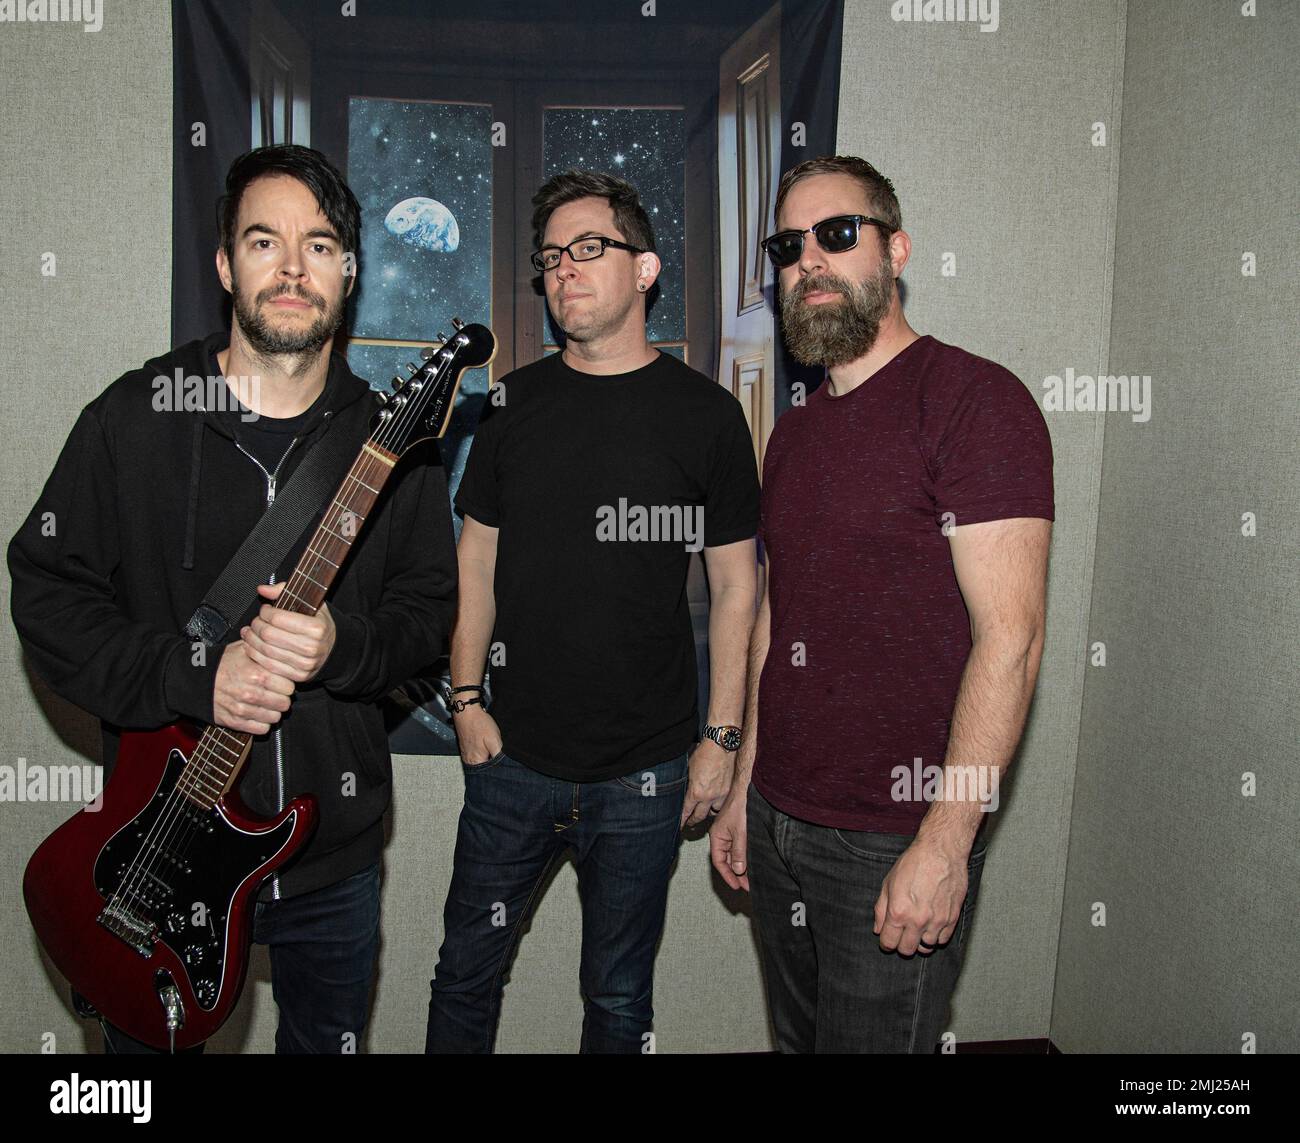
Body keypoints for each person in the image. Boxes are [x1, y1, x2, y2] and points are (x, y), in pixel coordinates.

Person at [8, 144, 458, 1054]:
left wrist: (343, 646)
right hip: (147, 852)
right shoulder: (134, 418)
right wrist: (190, 675)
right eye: (265, 241)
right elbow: (47, 592)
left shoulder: (393, 440)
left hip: (329, 864)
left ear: (350, 271)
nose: (293, 268)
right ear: (224, 264)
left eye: (320, 245)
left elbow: (430, 617)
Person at [710, 155, 1054, 1053]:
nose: (809, 261)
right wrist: (748, 784)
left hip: (895, 837)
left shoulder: (976, 401)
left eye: (837, 234)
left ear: (895, 249)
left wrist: (947, 842)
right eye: (789, 246)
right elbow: (780, 618)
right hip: (782, 819)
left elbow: (1011, 643)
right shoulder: (794, 433)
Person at [425, 170, 759, 1054]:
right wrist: (464, 701)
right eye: (549, 257)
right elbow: (476, 557)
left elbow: (736, 587)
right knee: (464, 976)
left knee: (618, 1003)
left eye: (587, 248)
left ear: (645, 269)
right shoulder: (510, 406)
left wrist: (721, 741)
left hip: (644, 773)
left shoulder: (710, 418)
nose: (562, 270)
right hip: (511, 761)